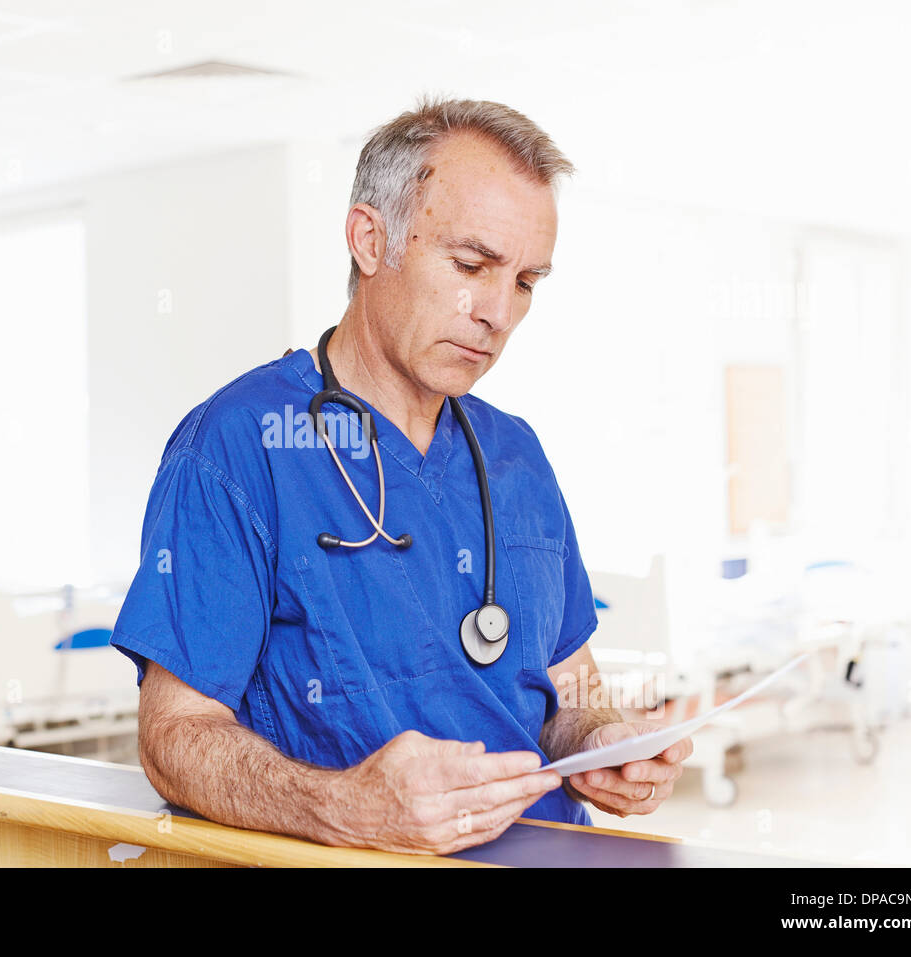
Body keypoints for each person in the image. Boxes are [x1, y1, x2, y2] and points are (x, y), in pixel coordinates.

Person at [110, 96, 692, 856]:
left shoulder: (516, 457)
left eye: (526, 281)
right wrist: (341, 805)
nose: (497, 312)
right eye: (471, 264)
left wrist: (605, 739)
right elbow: (175, 737)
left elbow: (568, 684)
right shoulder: (237, 448)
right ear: (369, 239)